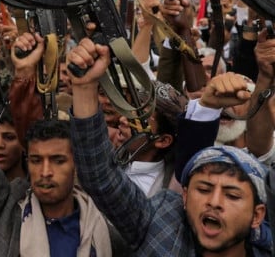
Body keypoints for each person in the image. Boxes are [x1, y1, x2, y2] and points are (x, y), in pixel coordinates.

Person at [67, 37, 272, 256]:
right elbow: (100, 176)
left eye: (232, 195)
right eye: (203, 190)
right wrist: (85, 87)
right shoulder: (159, 225)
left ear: (257, 215)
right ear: (184, 197)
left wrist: (265, 79)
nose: (214, 202)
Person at [0, 23, 112, 256]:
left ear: (76, 164)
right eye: (36, 160)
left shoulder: (105, 222)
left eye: (58, 160)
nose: (45, 171)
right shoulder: (9, 209)